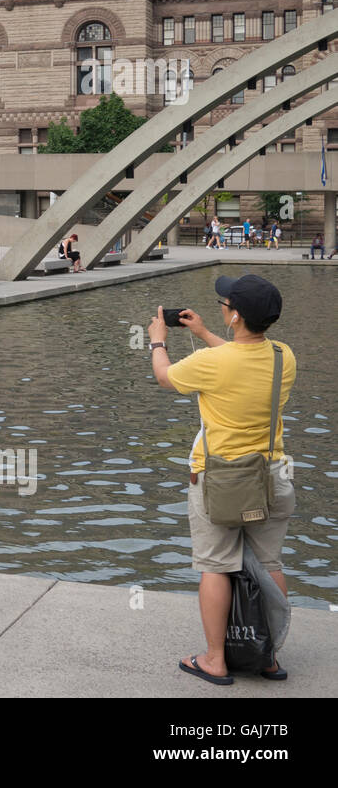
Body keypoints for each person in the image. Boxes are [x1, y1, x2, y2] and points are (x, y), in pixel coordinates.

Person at [147, 274, 295, 686]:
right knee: (269, 563)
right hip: (273, 475)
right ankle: (268, 655)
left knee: (215, 566)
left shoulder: (209, 364)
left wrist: (159, 339)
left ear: (236, 316)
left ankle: (215, 660)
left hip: (220, 480)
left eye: (223, 304)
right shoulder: (284, 356)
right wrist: (205, 332)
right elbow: (240, 359)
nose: (221, 307)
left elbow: (165, 376)